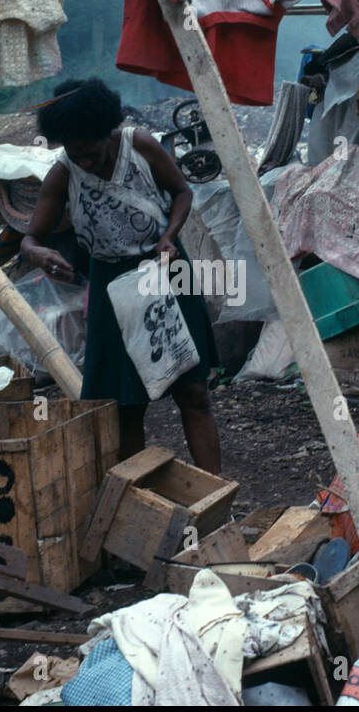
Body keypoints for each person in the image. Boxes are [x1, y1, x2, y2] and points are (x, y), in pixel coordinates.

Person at [21, 78, 222, 472]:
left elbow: (182, 191)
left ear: (107, 133)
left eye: (91, 153)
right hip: (112, 285)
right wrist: (39, 253)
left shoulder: (139, 144)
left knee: (193, 390)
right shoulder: (64, 173)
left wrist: (168, 237)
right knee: (125, 402)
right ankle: (139, 504)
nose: (85, 163)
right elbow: (30, 237)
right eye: (75, 154)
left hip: (165, 269)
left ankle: (218, 497)